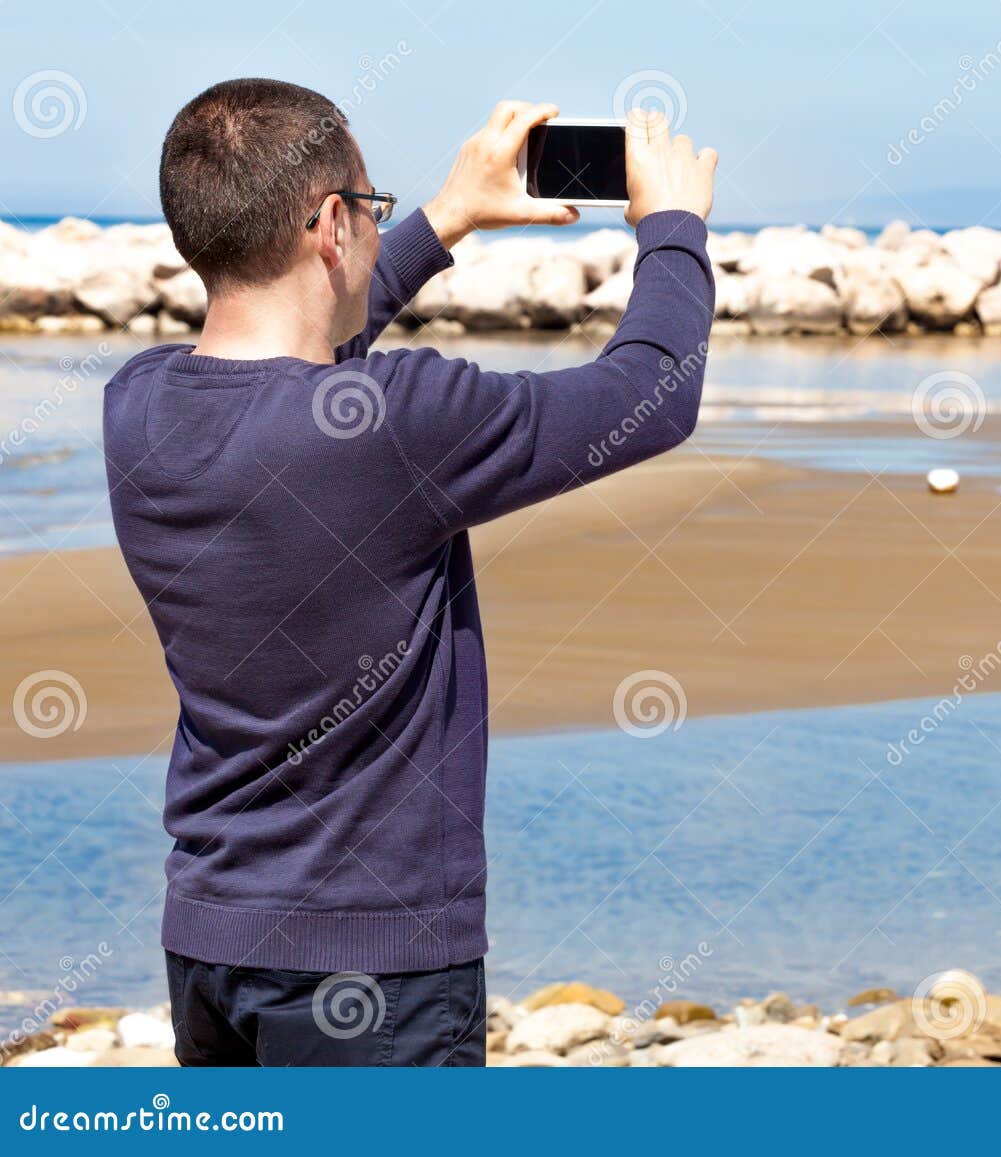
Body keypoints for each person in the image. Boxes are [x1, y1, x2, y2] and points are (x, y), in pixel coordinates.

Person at [102, 78, 717, 1066]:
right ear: (331, 225)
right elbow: (650, 393)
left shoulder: (136, 407)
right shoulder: (396, 421)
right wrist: (673, 226)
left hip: (210, 940)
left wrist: (446, 217)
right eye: (371, 209)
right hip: (376, 965)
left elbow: (296, 355)